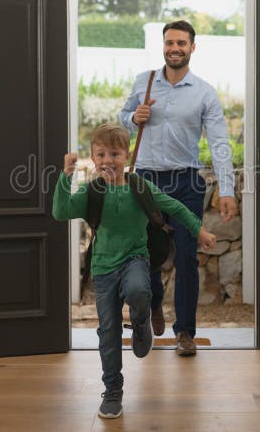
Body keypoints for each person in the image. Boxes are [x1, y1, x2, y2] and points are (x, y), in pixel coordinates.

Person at [52, 123, 216, 419]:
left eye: (114, 154)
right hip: (103, 268)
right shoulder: (92, 192)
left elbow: (176, 208)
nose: (108, 160)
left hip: (135, 259)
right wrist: (66, 176)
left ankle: (141, 323)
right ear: (93, 158)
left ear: (126, 156)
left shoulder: (140, 188)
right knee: (109, 333)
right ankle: (113, 391)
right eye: (101, 154)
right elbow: (61, 211)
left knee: (139, 290)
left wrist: (199, 230)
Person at [119, 20, 237, 357]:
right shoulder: (144, 81)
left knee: (186, 257)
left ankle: (185, 332)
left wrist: (227, 189)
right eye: (169, 42)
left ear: (192, 47)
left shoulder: (204, 92)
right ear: (163, 46)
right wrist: (133, 118)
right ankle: (154, 304)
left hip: (186, 182)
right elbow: (123, 117)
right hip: (146, 181)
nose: (175, 48)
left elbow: (219, 143)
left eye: (181, 43)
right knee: (147, 254)